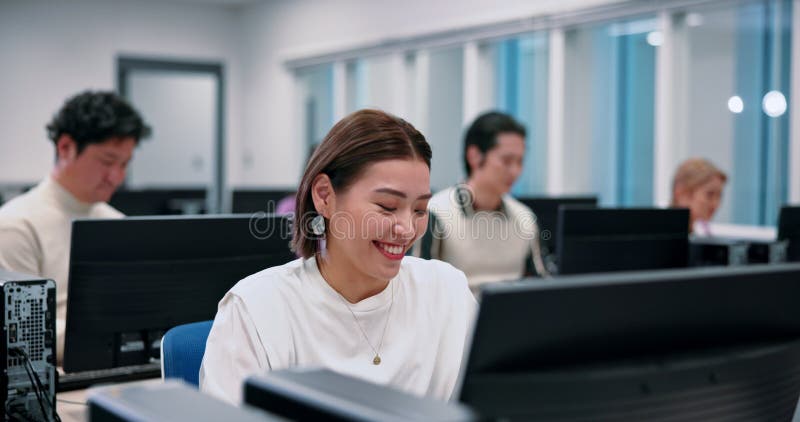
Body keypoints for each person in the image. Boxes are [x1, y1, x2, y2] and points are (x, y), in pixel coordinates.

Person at [200, 110, 477, 404]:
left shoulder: (446, 291)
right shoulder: (256, 308)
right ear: (324, 196)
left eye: (420, 210)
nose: (407, 228)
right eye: (387, 206)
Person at [0, 90, 150, 362]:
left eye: (124, 164)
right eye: (107, 161)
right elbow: (21, 333)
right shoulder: (15, 226)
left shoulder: (116, 223)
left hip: (120, 366)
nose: (116, 177)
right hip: (61, 377)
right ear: (65, 148)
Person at [413, 111, 548, 294]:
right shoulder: (435, 212)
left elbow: (542, 284)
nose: (515, 171)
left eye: (520, 161)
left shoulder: (525, 217)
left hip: (513, 317)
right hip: (454, 319)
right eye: (507, 161)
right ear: (475, 156)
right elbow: (419, 286)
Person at [671, 158, 727, 236]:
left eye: (719, 196)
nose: (716, 204)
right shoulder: (659, 237)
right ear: (681, 193)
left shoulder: (698, 235)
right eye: (709, 194)